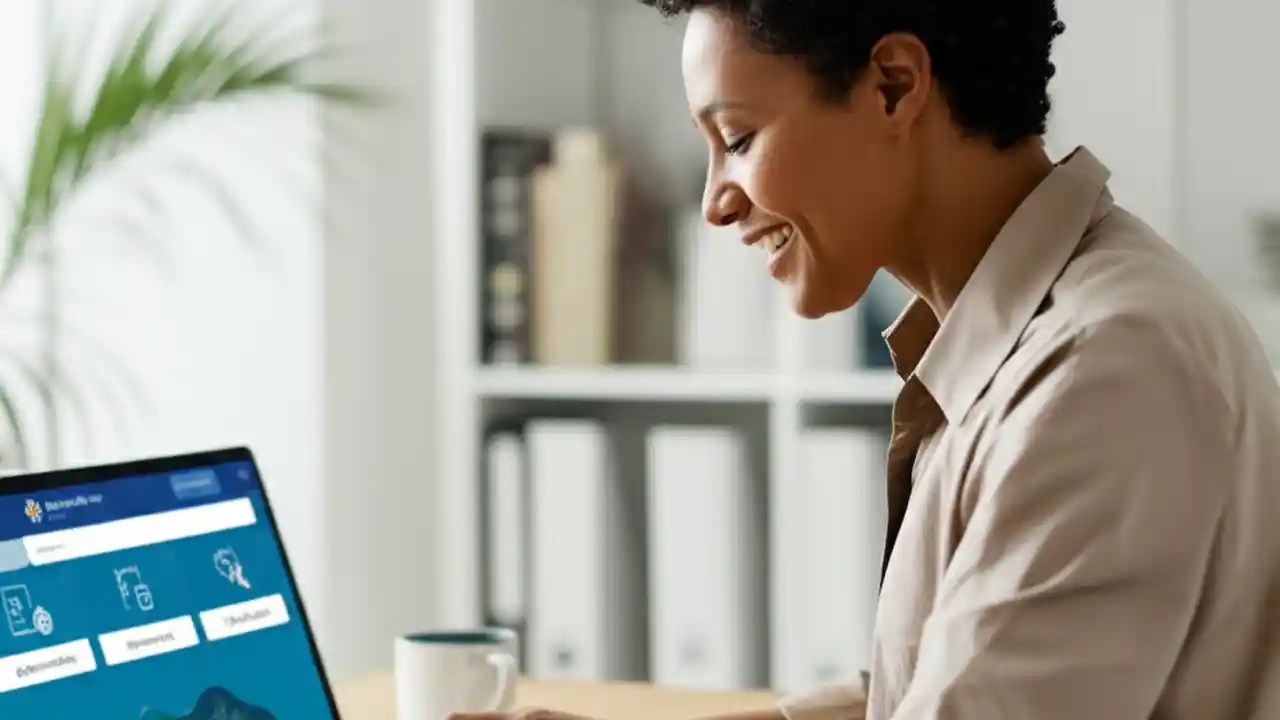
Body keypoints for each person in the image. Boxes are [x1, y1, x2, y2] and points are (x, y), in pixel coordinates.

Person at [451, 1, 1280, 718]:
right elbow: (940, 685)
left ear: (893, 85)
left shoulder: (1102, 368)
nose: (714, 201)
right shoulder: (1018, 341)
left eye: (737, 137)